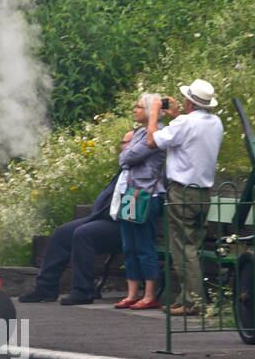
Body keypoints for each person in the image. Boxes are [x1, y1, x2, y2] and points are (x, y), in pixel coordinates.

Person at [18, 134, 129, 305]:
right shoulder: (124, 166)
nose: (122, 146)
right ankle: (45, 289)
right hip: (104, 218)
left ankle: (83, 291)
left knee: (83, 233)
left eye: (126, 142)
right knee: (62, 233)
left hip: (124, 225)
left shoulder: (140, 167)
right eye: (122, 142)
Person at [146, 79, 224, 316]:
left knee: (182, 248)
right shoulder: (216, 122)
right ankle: (184, 298)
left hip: (182, 192)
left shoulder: (184, 122)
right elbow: (187, 138)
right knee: (194, 246)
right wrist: (177, 116)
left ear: (189, 102)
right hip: (203, 193)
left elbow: (152, 141)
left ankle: (194, 302)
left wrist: (153, 113)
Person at [115, 96, 169, 309]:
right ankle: (132, 294)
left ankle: (149, 295)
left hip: (147, 194)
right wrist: (127, 154)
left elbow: (129, 156)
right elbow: (125, 157)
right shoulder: (138, 133)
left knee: (144, 245)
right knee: (129, 245)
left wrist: (127, 153)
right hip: (130, 194)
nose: (134, 109)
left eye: (138, 106)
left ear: (150, 111)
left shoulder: (158, 134)